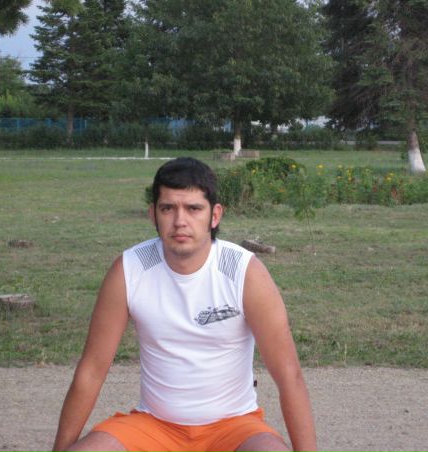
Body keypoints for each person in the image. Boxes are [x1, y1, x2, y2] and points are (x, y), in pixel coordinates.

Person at [52, 157, 317, 452]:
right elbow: (91, 371)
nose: (180, 221)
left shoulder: (244, 271)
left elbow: (289, 375)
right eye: (168, 208)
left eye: (193, 208)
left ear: (214, 215)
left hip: (235, 426)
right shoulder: (129, 269)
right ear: (153, 214)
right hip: (154, 425)